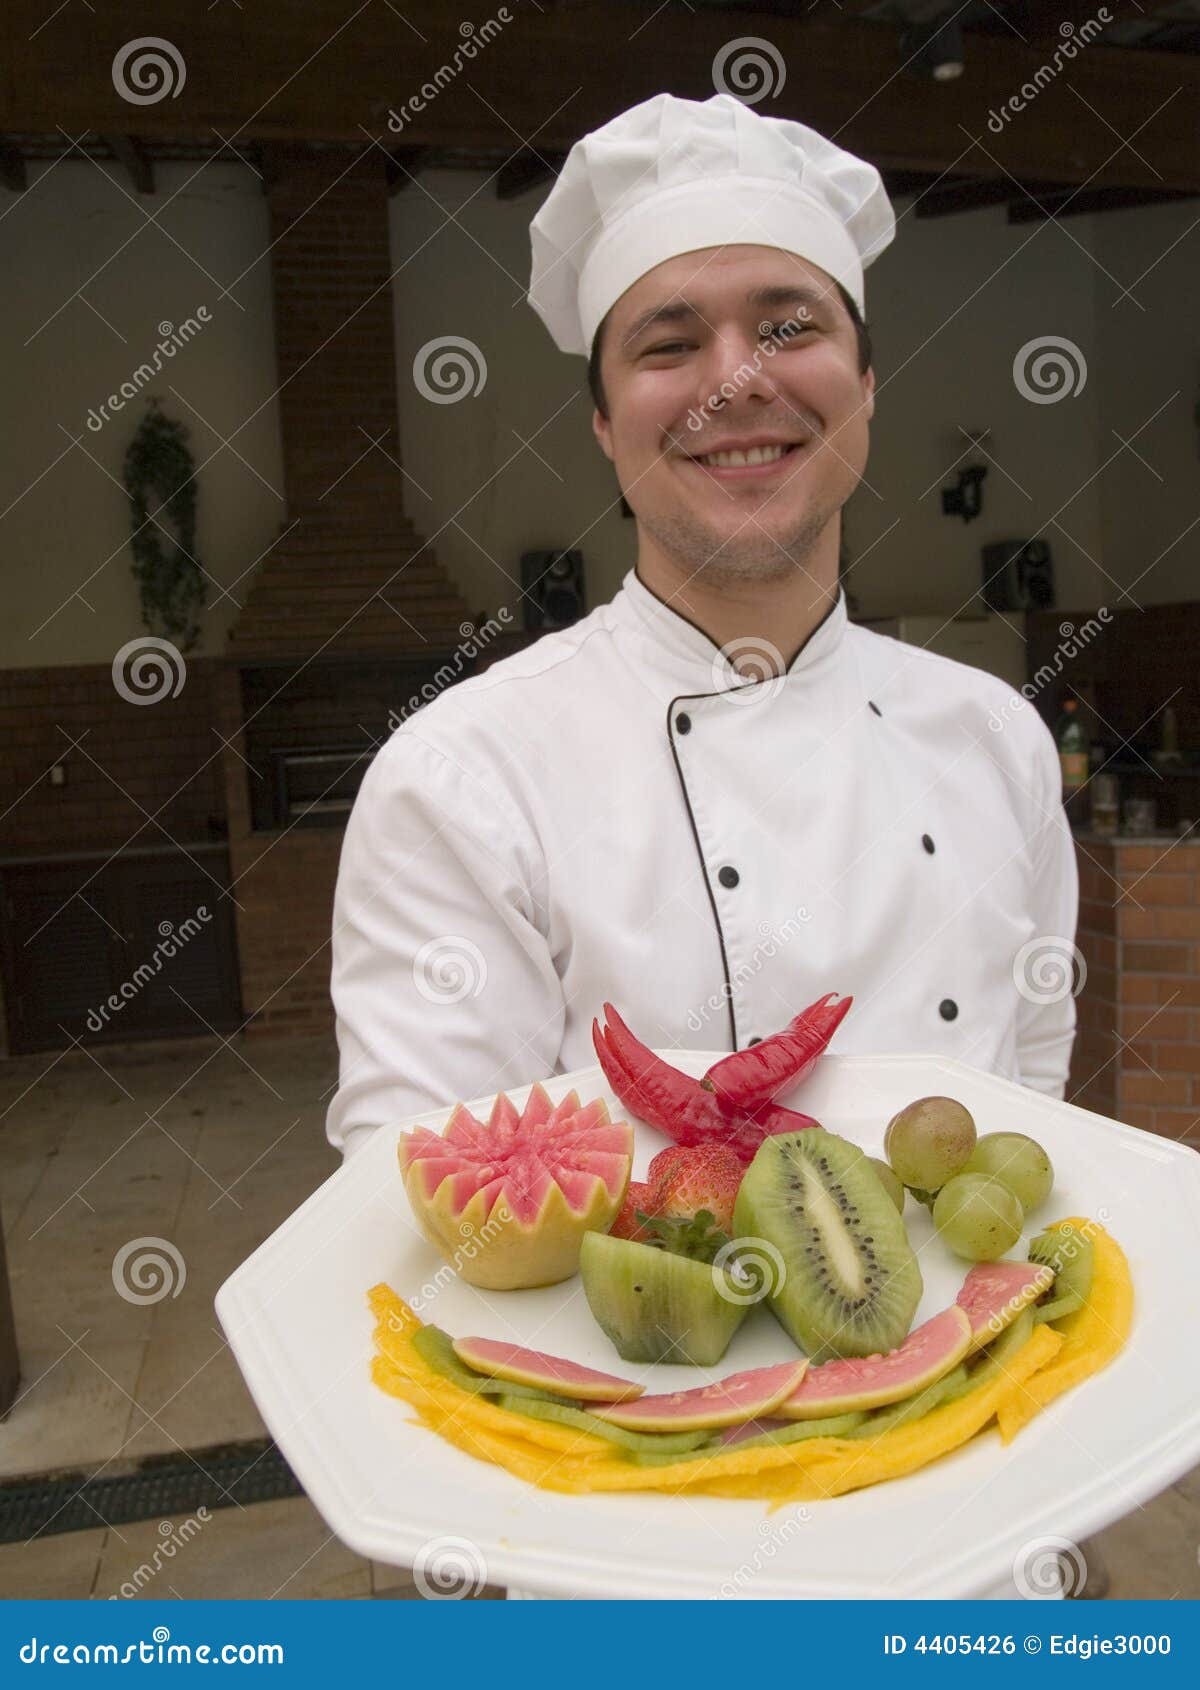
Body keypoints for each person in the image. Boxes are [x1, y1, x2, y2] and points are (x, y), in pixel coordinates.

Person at [326, 92, 1078, 1599]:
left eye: (788, 324)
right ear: (605, 421)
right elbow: (424, 1221)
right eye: (668, 341)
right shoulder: (463, 773)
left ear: (866, 383)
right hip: (617, 1554)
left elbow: (1025, 1112)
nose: (736, 380)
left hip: (965, 1522)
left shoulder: (996, 738)